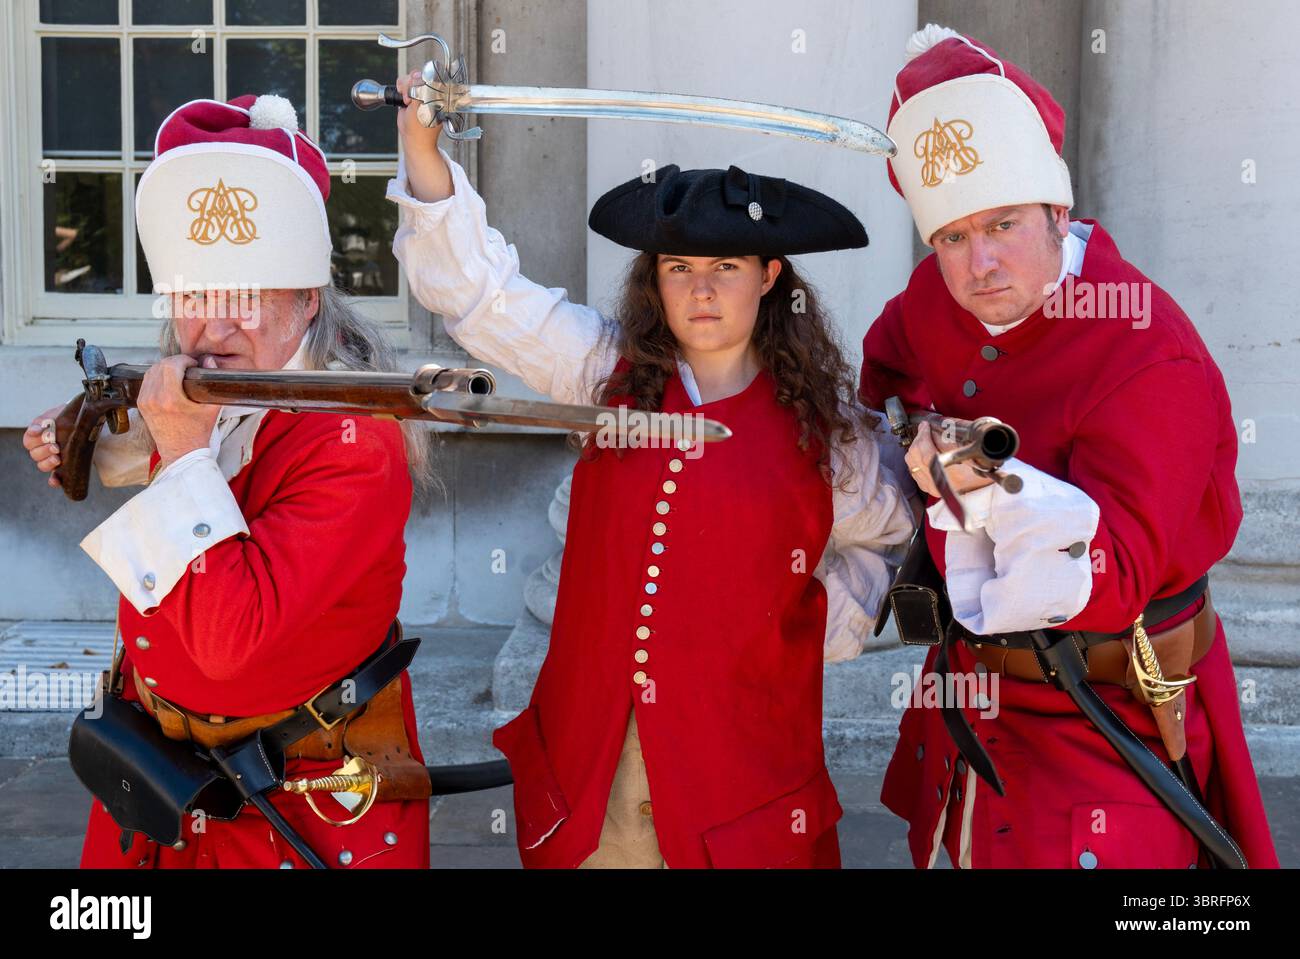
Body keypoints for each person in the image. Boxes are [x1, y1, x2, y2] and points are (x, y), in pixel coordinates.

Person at [388, 71, 915, 867]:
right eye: (677, 268)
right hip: (595, 786)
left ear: (770, 276)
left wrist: (816, 620)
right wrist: (422, 152)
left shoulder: (829, 437)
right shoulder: (603, 372)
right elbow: (485, 298)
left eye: (726, 268)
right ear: (654, 279)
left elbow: (899, 535)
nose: (701, 290)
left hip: (748, 793)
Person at [861, 25, 1279, 868]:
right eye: (951, 236)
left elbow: (1109, 578)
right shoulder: (933, 301)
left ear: (1059, 210)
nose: (980, 263)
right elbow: (883, 379)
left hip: (1103, 714)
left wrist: (962, 482)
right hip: (970, 698)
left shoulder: (1149, 354)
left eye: (1005, 224)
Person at [23, 94, 433, 869]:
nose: (213, 329)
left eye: (245, 298)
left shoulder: (357, 442)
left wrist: (179, 457)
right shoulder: (212, 391)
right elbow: (136, 429)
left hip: (300, 799)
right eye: (194, 299)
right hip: (157, 779)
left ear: (307, 301)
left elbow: (228, 645)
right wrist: (75, 433)